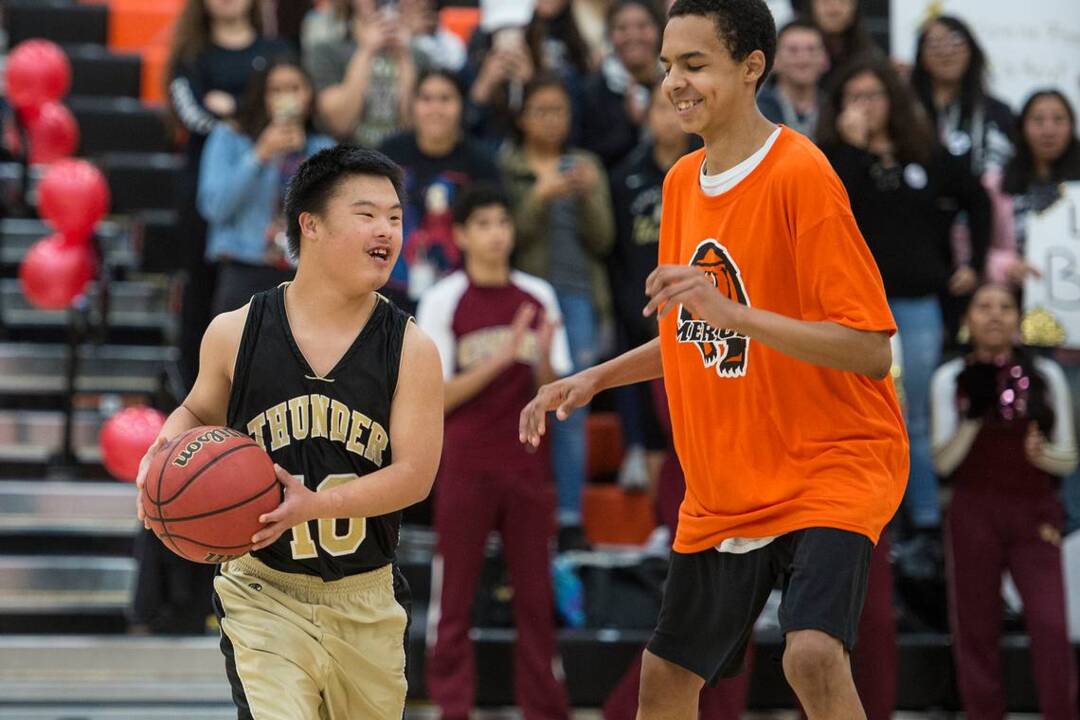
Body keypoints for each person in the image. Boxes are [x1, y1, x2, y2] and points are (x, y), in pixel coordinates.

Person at [519, 1, 908, 718]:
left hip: (832, 460)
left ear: (752, 67)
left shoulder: (801, 174)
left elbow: (869, 347)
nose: (674, 82)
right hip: (730, 479)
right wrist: (592, 378)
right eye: (668, 65)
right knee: (665, 680)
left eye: (695, 64)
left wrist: (734, 314)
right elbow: (692, 336)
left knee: (813, 654)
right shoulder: (678, 184)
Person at [134, 146, 444, 718]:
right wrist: (161, 455)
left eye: (396, 217)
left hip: (364, 600)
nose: (387, 230)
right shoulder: (235, 331)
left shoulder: (412, 349)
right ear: (312, 225)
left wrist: (314, 506)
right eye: (367, 214)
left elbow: (415, 477)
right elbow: (198, 412)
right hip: (264, 591)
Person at [816, 57, 990, 563]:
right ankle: (876, 519)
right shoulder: (828, 156)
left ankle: (927, 523)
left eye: (875, 95)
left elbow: (977, 200)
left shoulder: (924, 152)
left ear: (893, 99)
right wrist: (849, 145)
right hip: (852, 309)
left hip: (915, 303)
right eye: (856, 97)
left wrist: (974, 264)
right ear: (840, 106)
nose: (867, 106)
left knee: (913, 413)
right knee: (859, 415)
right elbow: (830, 206)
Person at [418, 185, 572, 720]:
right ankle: (452, 707)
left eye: (501, 222)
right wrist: (502, 357)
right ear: (460, 235)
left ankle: (546, 709)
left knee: (535, 600)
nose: (495, 234)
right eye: (482, 224)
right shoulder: (443, 299)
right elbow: (435, 398)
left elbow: (557, 396)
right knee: (453, 598)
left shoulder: (539, 296)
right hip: (465, 465)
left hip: (528, 466)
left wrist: (545, 364)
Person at [930, 283, 1078, 719]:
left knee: (1050, 624)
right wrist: (974, 417)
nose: (995, 315)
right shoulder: (949, 378)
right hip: (973, 513)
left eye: (1005, 307)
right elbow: (942, 462)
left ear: (1019, 318)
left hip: (1034, 513)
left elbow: (1067, 456)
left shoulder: (1046, 376)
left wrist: (1042, 454)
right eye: (984, 307)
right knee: (975, 628)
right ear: (967, 319)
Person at [501, 74, 615, 552]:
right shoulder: (508, 167)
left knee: (569, 406)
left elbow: (604, 238)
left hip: (580, 300)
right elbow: (508, 239)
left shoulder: (586, 166)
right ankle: (513, 513)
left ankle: (569, 517)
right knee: (518, 403)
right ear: (524, 118)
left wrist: (586, 196)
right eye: (542, 110)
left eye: (560, 111)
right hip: (527, 301)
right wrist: (538, 197)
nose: (552, 120)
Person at [990, 89, 1080, 537]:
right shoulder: (1001, 183)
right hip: (1022, 335)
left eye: (1058, 119)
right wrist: (1009, 267)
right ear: (1022, 127)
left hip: (1075, 340)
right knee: (1034, 437)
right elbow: (978, 252)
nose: (1048, 128)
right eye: (1038, 119)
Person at [197, 55, 335, 316]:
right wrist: (259, 155)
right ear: (261, 95)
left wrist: (307, 164)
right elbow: (214, 207)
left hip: (303, 273)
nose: (286, 98)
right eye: (276, 90)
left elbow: (331, 219)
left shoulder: (323, 148)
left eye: (294, 89)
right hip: (243, 265)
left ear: (308, 95)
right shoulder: (229, 138)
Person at [607, 84, 695, 494]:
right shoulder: (625, 177)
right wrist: (640, 313)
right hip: (643, 315)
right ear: (645, 115)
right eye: (661, 107)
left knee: (692, 424)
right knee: (658, 424)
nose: (668, 116)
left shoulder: (708, 168)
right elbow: (620, 255)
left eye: (676, 108)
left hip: (701, 315)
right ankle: (663, 518)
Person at [910, 15, 1015, 346]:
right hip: (923, 247)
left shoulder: (998, 113)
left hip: (987, 242)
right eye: (934, 44)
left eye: (956, 41)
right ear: (920, 55)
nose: (946, 51)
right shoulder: (905, 113)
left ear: (972, 50)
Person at [379, 69, 501, 309]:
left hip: (459, 293)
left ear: (461, 106)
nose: (435, 109)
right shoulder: (389, 153)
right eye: (426, 99)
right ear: (412, 105)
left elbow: (493, 224)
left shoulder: (481, 162)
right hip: (392, 287)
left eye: (445, 99)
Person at [303, 0, 417, 148]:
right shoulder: (326, 52)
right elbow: (340, 123)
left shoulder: (419, 56)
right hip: (347, 161)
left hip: (401, 162)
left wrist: (404, 55)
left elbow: (414, 126)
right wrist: (366, 51)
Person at [580, 0, 665, 169]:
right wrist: (631, 125)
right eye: (622, 28)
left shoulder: (676, 81)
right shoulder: (592, 91)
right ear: (610, 35)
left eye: (642, 26)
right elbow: (594, 157)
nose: (633, 36)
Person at [756, 20, 828, 140]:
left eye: (811, 50)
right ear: (774, 60)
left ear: (824, 59)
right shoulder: (756, 112)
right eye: (793, 50)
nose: (803, 59)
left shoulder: (837, 109)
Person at [806, 0, 880, 89]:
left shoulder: (871, 58)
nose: (834, 10)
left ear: (854, 8)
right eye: (825, 2)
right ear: (811, 6)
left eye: (843, 2)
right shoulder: (796, 55)